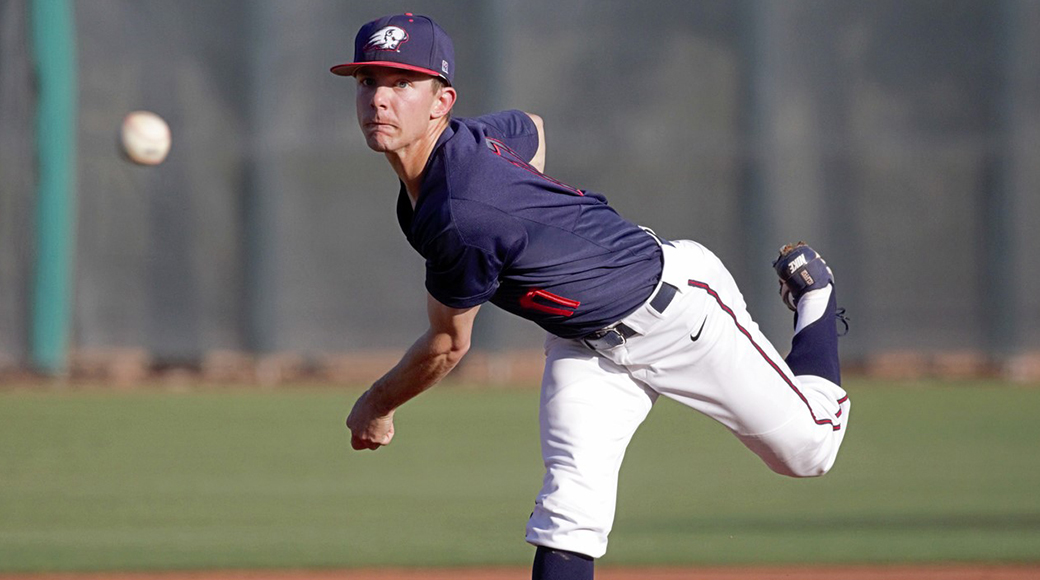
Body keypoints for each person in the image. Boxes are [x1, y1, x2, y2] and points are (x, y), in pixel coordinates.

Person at [333, 13, 851, 580]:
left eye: (403, 83)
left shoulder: (464, 212)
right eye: (368, 81)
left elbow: (447, 345)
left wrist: (377, 405)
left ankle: (816, 294)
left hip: (677, 312)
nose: (379, 98)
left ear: (442, 101)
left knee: (809, 452)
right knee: (568, 515)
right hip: (584, 342)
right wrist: (531, 210)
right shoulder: (462, 152)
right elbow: (530, 127)